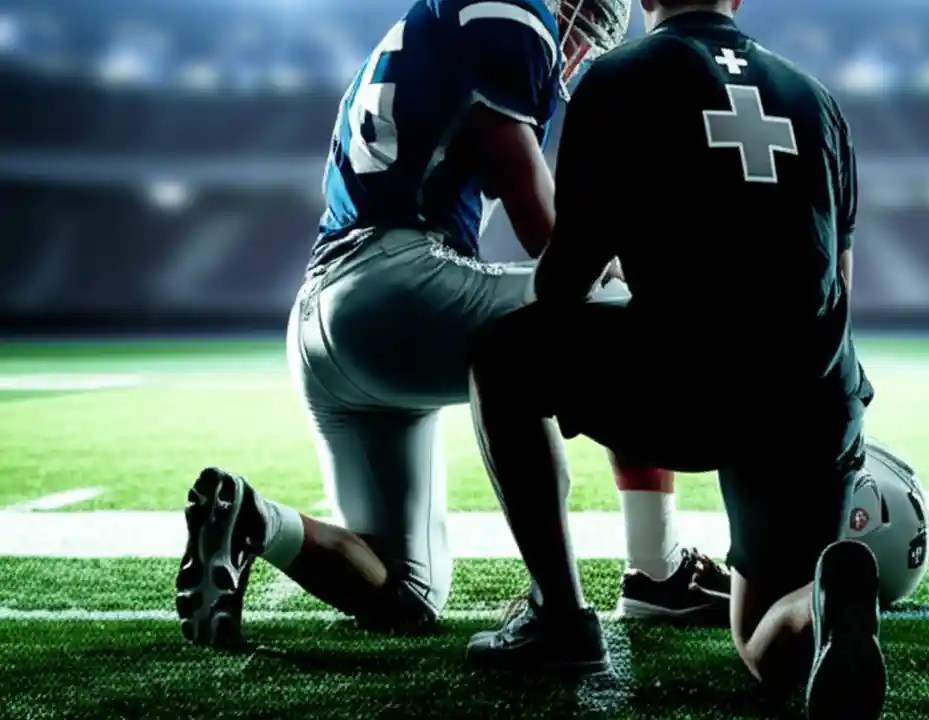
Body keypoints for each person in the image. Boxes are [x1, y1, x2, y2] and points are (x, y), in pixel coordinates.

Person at [175, 0, 731, 649]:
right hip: (389, 287)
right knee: (618, 303)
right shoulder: (508, 11)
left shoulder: (438, 26)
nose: (580, 43)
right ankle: (657, 571)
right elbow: (538, 219)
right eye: (585, 21)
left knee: (406, 592)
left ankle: (253, 521)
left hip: (329, 320)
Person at [463, 0, 885, 716]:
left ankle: (559, 616)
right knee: (759, 641)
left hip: (682, 386)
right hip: (810, 400)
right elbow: (839, 287)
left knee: (501, 362)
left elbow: (561, 280)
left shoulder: (619, 77)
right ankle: (820, 608)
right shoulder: (819, 100)